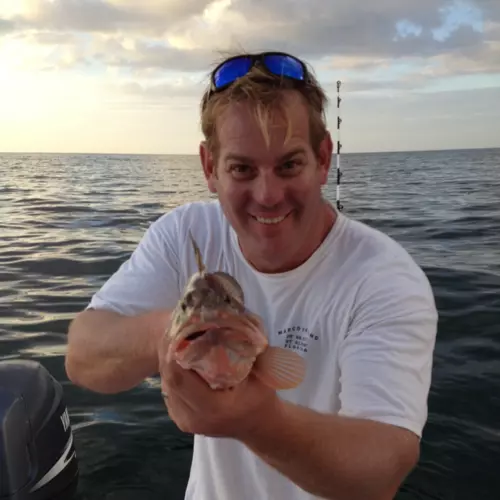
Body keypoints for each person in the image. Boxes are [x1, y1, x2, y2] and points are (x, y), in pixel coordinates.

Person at [65, 51, 438, 500]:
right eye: (242, 168)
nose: (267, 195)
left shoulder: (385, 280)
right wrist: (171, 336)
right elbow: (83, 359)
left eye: (288, 165)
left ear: (323, 160)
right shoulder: (185, 233)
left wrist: (257, 420)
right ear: (209, 168)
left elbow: (382, 470)